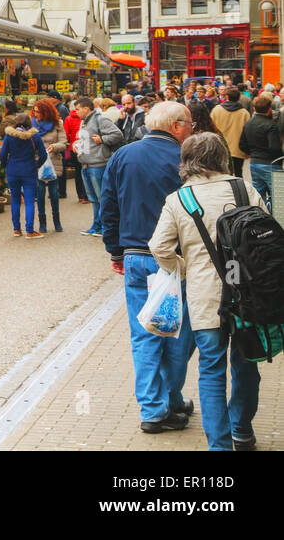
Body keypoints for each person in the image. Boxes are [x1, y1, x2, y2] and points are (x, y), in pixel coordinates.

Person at [150, 132, 263, 451]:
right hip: (247, 296)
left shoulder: (178, 200)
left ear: (186, 161)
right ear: (222, 155)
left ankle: (220, 446)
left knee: (212, 372)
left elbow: (158, 247)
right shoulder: (244, 189)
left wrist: (184, 269)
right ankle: (242, 429)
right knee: (246, 365)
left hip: (205, 299)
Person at [98, 101, 196, 435]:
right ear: (176, 126)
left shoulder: (123, 155)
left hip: (136, 256)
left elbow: (107, 207)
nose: (192, 130)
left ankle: (155, 408)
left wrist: (114, 250)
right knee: (176, 334)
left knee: (145, 335)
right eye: (191, 125)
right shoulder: (184, 159)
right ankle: (166, 402)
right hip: (173, 260)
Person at [74, 97, 122, 236]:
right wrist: (76, 145)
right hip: (85, 164)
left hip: (98, 164)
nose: (76, 112)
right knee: (94, 199)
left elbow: (117, 134)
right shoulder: (84, 122)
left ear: (86, 109)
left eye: (77, 109)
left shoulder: (100, 119)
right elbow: (85, 140)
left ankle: (106, 228)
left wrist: (102, 139)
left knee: (102, 198)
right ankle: (97, 225)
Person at [0, 113, 48, 239]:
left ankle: (16, 229)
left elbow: (3, 154)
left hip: (12, 171)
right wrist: (37, 164)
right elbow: (43, 155)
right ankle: (30, 231)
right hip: (29, 170)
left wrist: (6, 166)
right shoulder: (35, 136)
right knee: (29, 202)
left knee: (15, 200)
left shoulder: (9, 136)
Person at [238, 93, 282, 210]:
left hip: (254, 163)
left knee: (259, 194)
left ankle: (262, 217)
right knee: (277, 196)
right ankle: (276, 219)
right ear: (269, 110)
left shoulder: (248, 124)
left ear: (254, 109)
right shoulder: (271, 125)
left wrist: (251, 152)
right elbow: (275, 148)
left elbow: (242, 144)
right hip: (271, 164)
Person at [31, 99, 65, 233]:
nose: (35, 114)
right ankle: (42, 222)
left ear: (46, 112)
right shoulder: (32, 125)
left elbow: (64, 143)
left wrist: (54, 146)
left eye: (38, 112)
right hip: (37, 163)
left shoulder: (58, 124)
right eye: (34, 111)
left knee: (54, 194)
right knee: (39, 194)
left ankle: (57, 221)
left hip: (53, 162)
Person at [210, 88, 250, 177]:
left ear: (227, 97)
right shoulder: (244, 113)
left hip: (220, 148)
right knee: (239, 172)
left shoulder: (216, 110)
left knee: (222, 174)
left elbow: (210, 128)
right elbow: (247, 132)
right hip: (238, 149)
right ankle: (239, 190)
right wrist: (248, 150)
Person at [63, 100, 88, 204]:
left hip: (75, 149)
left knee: (78, 172)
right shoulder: (86, 118)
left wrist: (71, 142)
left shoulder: (68, 119)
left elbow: (66, 134)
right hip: (86, 147)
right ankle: (88, 194)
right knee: (87, 171)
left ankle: (81, 196)